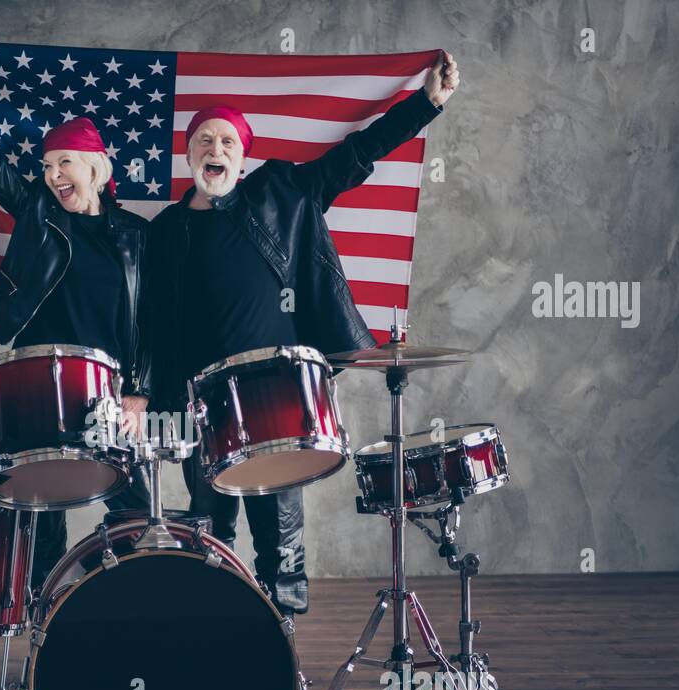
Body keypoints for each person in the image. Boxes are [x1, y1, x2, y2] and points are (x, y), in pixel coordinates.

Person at [143, 53, 461, 617]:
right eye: (204, 141)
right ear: (188, 154)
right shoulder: (165, 231)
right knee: (209, 531)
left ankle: (280, 643)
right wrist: (157, 399)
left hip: (274, 391)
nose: (215, 150)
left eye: (227, 143)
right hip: (201, 402)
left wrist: (426, 103)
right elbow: (152, 325)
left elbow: (354, 156)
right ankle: (212, 629)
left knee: (279, 536)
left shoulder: (281, 193)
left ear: (241, 159)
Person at [0, 33, 152, 589]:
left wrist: (140, 392)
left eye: (65, 163)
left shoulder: (137, 237)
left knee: (134, 513)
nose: (54, 175)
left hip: (109, 389)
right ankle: (43, 617)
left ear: (96, 169)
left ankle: (116, 600)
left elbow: (150, 320)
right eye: (46, 166)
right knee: (44, 512)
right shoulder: (38, 210)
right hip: (41, 377)